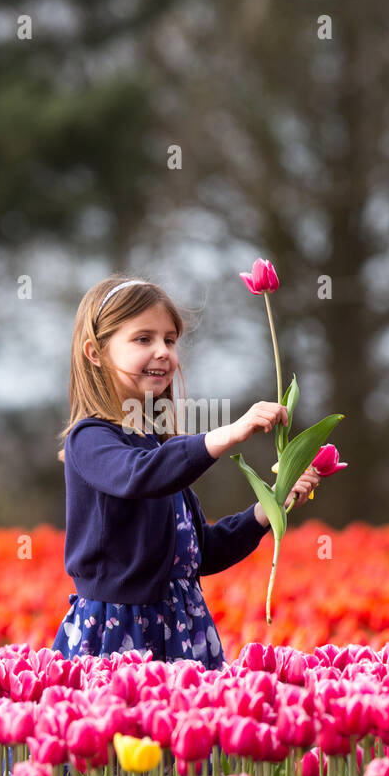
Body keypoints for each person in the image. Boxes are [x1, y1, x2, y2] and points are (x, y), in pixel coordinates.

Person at [52, 275, 322, 672]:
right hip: (118, 635)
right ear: (95, 353)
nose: (162, 352)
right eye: (143, 339)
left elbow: (201, 553)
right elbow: (138, 476)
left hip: (183, 630)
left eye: (170, 340)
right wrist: (225, 434)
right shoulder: (91, 439)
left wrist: (270, 506)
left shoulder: (156, 446)